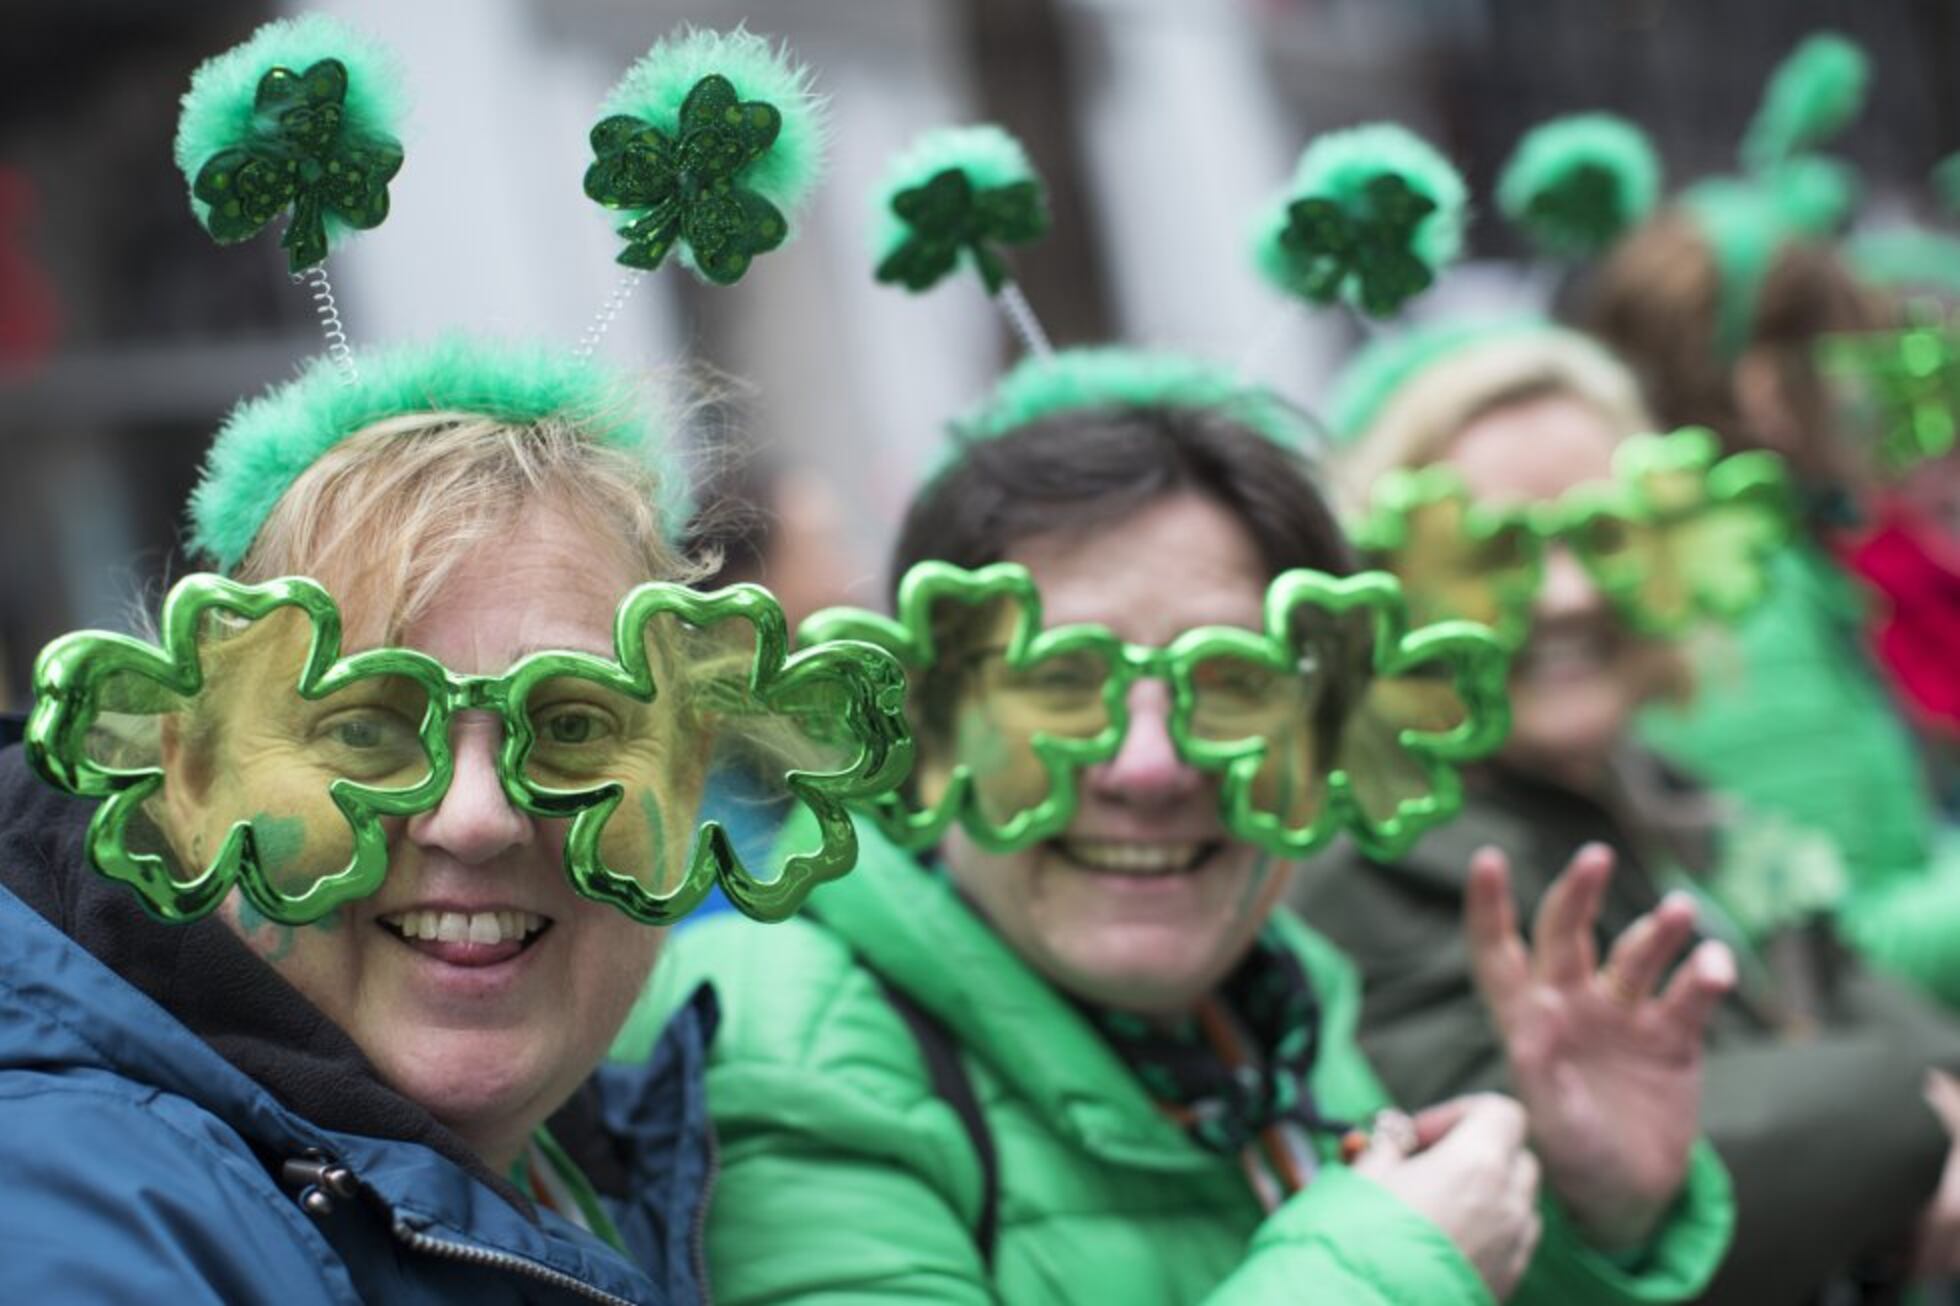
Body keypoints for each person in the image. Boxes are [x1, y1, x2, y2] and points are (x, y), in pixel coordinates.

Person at [632, 347, 1736, 1304]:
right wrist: (1384, 1271)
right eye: (1060, 680)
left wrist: (1595, 1218)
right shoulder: (780, 1040)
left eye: (1230, 682)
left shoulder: (1274, 997)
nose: (1149, 765)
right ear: (932, 720)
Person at [0, 338, 851, 1302]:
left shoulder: (650, 1159)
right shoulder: (74, 1209)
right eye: (365, 725)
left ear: (686, 776)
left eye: (572, 724)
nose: (477, 818)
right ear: (193, 771)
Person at [1298, 321, 1960, 1303]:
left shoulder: (1664, 795)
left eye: (1605, 535)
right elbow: (1561, 1185)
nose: (1564, 594)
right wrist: (1917, 1135)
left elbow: (1873, 1004)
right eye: (1491, 554)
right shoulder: (1379, 855)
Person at [1583, 209, 1960, 1006]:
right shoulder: (1737, 608)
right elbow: (1840, 950)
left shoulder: (1769, 568)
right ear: (1762, 385)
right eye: (1848, 358)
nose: (1870, 392)